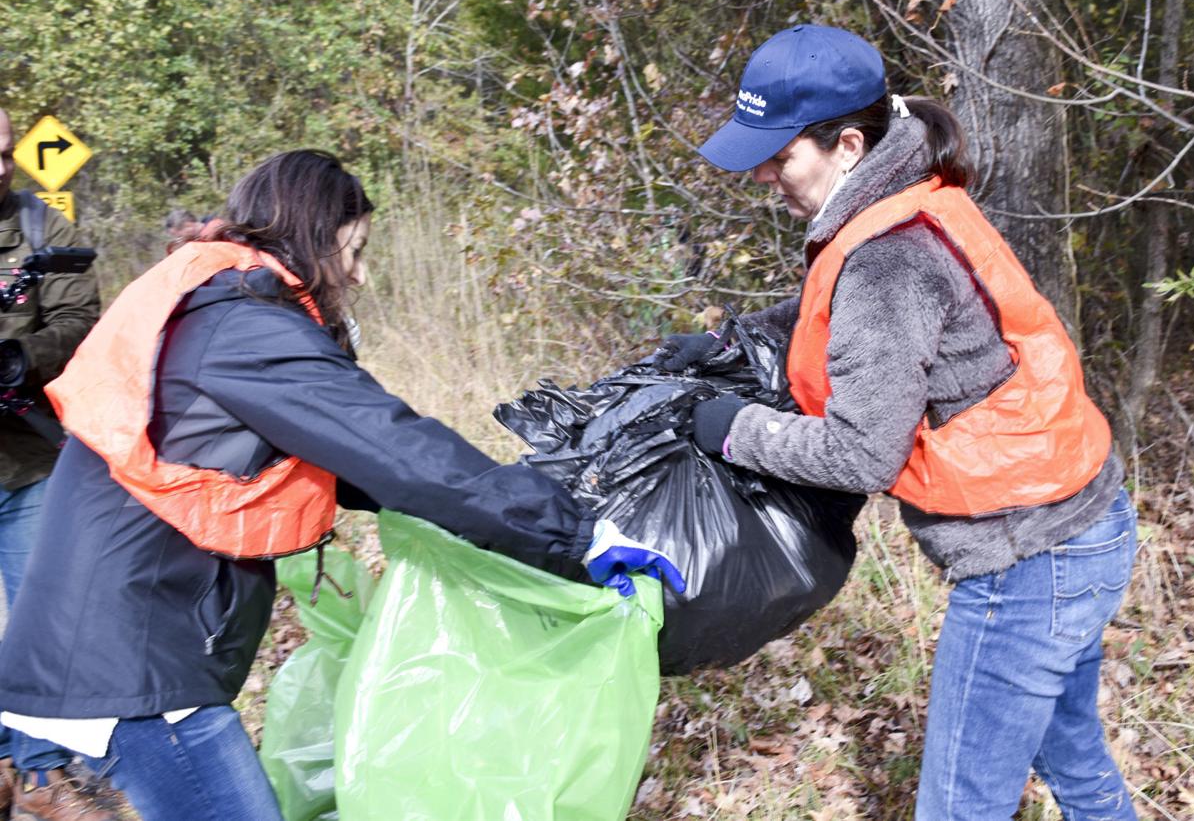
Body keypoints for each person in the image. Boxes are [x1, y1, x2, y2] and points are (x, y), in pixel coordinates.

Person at [0, 149, 683, 821]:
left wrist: (523, 519)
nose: (358, 275)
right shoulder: (246, 328)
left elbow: (368, 467)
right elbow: (395, 448)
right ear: (310, 238)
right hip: (130, 659)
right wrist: (578, 538)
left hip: (122, 647)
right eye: (352, 251)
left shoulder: (218, 308)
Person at [658, 25, 1136, 820]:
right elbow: (849, 317)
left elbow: (860, 452)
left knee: (957, 806)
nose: (769, 177)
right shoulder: (908, 197)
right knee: (1077, 764)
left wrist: (734, 429)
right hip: (1082, 523)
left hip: (1026, 560)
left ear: (847, 144)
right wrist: (730, 342)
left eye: (781, 157)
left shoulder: (890, 251)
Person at [0, 108, 111, 820]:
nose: (0, 165)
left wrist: (19, 359)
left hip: (28, 463)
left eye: (5, 151)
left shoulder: (46, 230)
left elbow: (80, 324)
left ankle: (41, 775)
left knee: (42, 621)